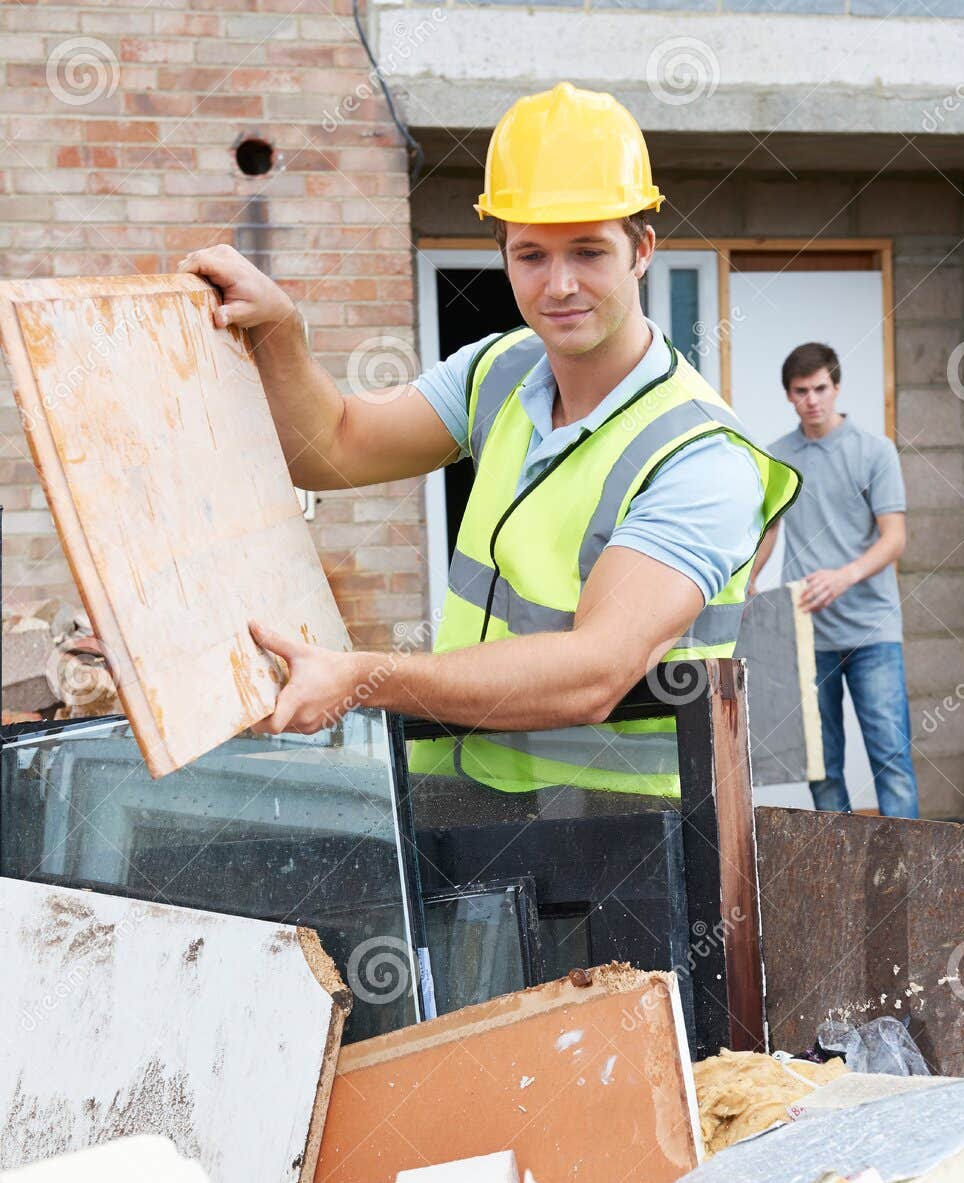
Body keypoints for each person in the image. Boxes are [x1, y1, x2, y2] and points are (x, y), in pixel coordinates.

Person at [179, 83, 799, 798]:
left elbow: (594, 673)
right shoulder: (499, 371)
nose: (559, 284)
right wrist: (283, 333)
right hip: (464, 811)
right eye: (531, 254)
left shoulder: (699, 459)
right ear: (501, 252)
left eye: (589, 251)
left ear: (641, 250)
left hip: (626, 854)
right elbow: (331, 450)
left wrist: (365, 678)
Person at [750, 342, 919, 819]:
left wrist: (845, 577)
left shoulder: (875, 451)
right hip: (807, 635)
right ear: (789, 396)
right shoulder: (778, 457)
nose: (812, 400)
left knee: (892, 759)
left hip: (873, 630)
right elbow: (771, 529)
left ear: (837, 387)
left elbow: (895, 538)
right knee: (821, 768)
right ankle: (840, 883)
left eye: (820, 388)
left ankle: (905, 882)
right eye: (801, 391)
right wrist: (748, 584)